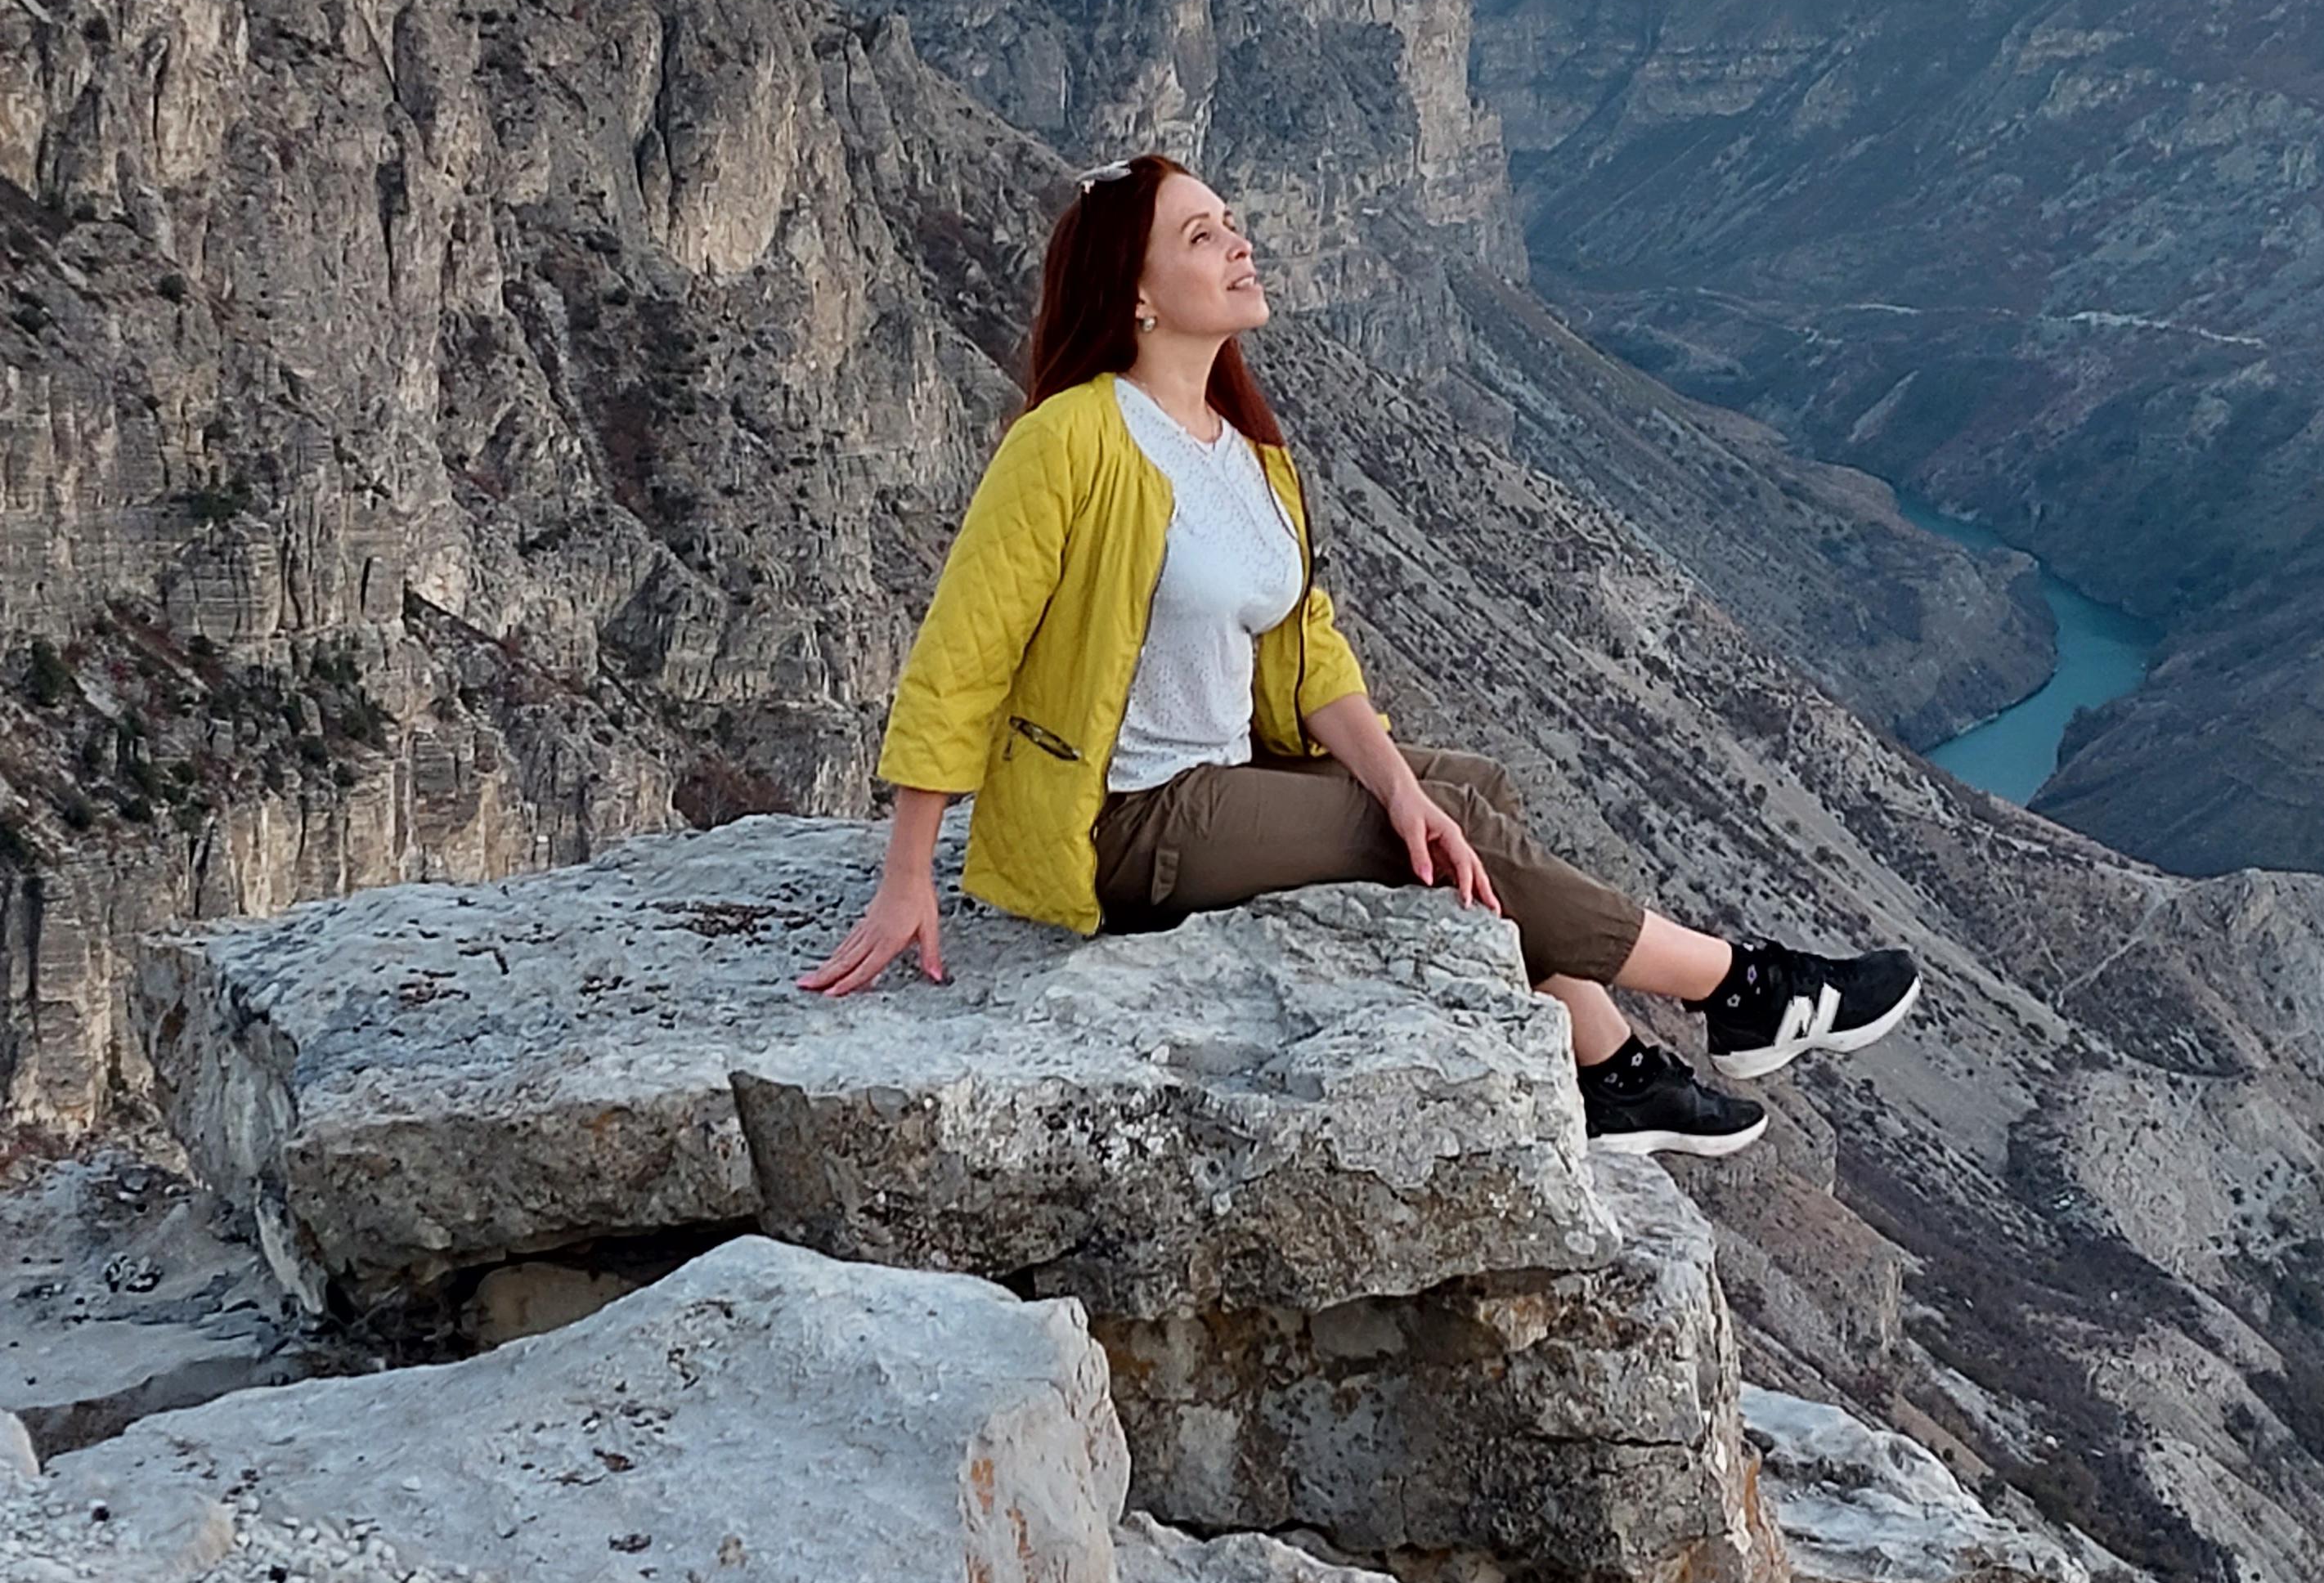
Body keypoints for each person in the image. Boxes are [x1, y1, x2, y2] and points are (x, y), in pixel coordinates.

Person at [800, 155, 1920, 1155]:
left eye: (1230, 221)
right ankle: (1745, 985)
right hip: (1121, 819)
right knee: (1424, 845)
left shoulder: (1243, 452)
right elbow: (963, 652)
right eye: (1201, 234)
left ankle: (1606, 1066)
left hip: (1222, 777)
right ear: (1135, 294)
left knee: (1462, 792)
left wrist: (1399, 784)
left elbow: (1311, 651)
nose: (1239, 243)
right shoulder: (1070, 439)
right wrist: (909, 872)